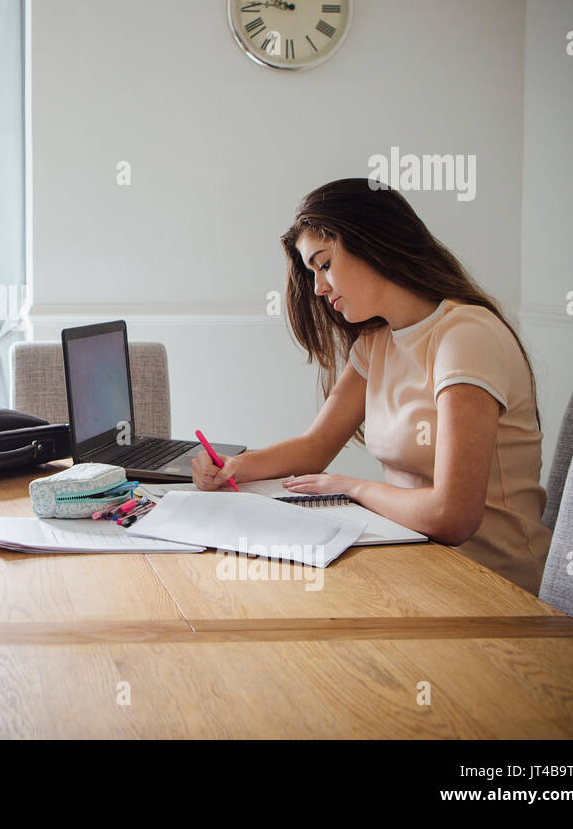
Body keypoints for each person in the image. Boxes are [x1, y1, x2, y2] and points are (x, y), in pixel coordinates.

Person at [191, 178, 552, 593]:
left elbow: (452, 516)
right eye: (312, 272)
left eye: (324, 265)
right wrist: (233, 466)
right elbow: (315, 447)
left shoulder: (465, 337)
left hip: (494, 587)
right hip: (419, 563)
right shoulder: (377, 342)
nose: (318, 287)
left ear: (370, 240)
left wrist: (355, 488)